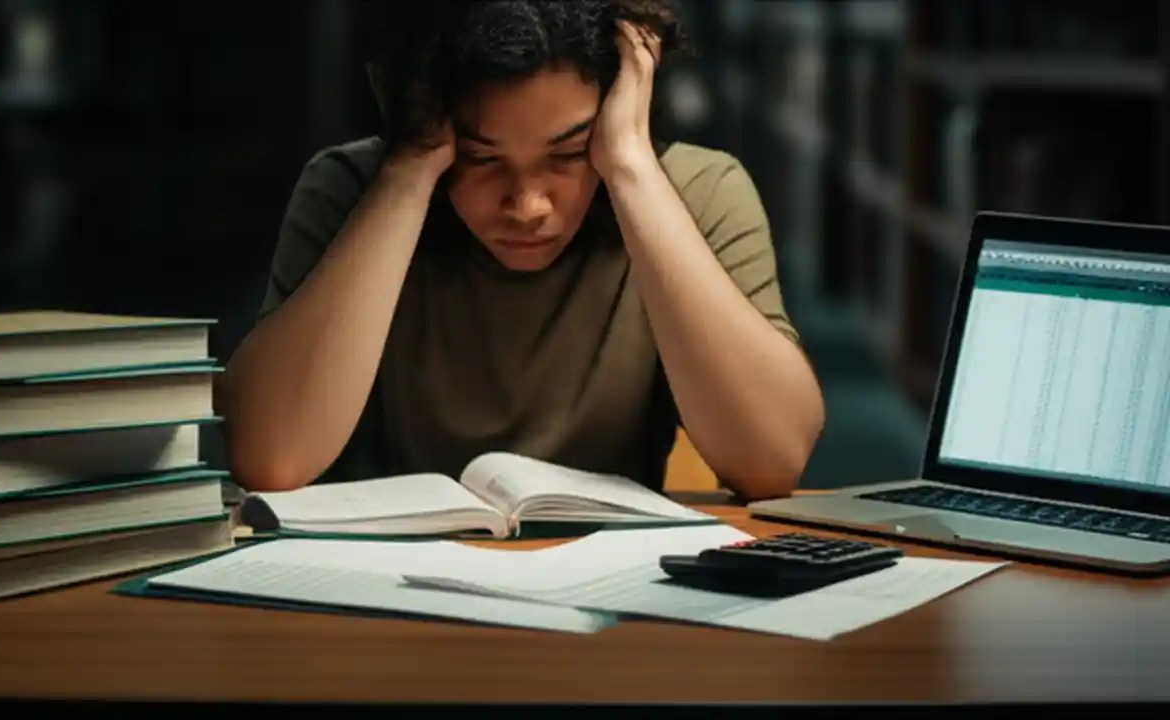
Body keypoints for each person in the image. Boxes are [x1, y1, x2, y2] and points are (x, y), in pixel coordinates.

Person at [218, 0, 825, 500]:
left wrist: (630, 166)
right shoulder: (353, 189)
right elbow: (271, 458)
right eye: (482, 159)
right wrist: (410, 168)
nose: (528, 205)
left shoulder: (696, 191)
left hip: (621, 584)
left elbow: (770, 462)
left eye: (567, 154)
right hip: (400, 593)